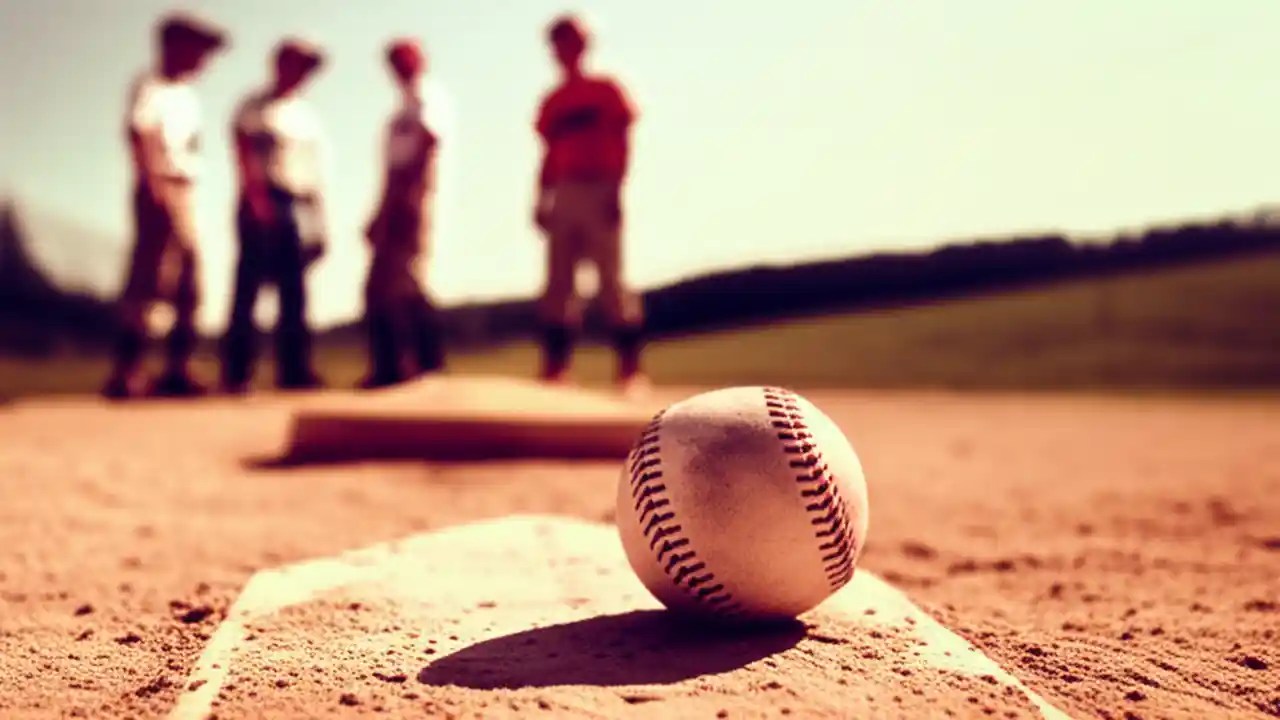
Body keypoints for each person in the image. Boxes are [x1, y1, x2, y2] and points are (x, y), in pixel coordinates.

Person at [102, 13, 227, 400]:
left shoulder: (187, 95)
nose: (204, 58)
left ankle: (178, 367)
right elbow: (141, 131)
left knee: (189, 279)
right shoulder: (152, 86)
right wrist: (153, 183)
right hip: (162, 185)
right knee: (153, 277)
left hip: (186, 190)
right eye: (198, 48)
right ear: (173, 45)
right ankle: (129, 369)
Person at [533, 14, 646, 392]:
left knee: (611, 281)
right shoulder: (553, 102)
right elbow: (547, 154)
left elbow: (622, 139)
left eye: (570, 42)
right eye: (558, 44)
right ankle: (557, 370)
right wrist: (541, 197)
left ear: (583, 45)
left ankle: (630, 370)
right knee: (559, 283)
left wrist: (617, 188)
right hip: (564, 190)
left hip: (599, 186)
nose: (564, 50)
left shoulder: (605, 90)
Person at [220, 38, 329, 393]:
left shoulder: (306, 114)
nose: (301, 73)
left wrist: (320, 219)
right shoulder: (254, 106)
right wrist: (254, 196)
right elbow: (243, 152)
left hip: (298, 203)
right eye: (296, 63)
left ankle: (294, 370)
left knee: (294, 291)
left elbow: (314, 172)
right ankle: (237, 371)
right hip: (264, 197)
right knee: (248, 287)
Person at [359, 38, 448, 389]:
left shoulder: (427, 98)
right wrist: (380, 210)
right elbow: (391, 169)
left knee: (407, 282)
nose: (400, 67)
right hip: (394, 198)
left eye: (406, 59)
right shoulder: (401, 109)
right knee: (379, 285)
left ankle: (428, 364)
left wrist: (409, 200)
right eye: (394, 60)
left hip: (412, 200)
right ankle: (391, 366)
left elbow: (427, 147)